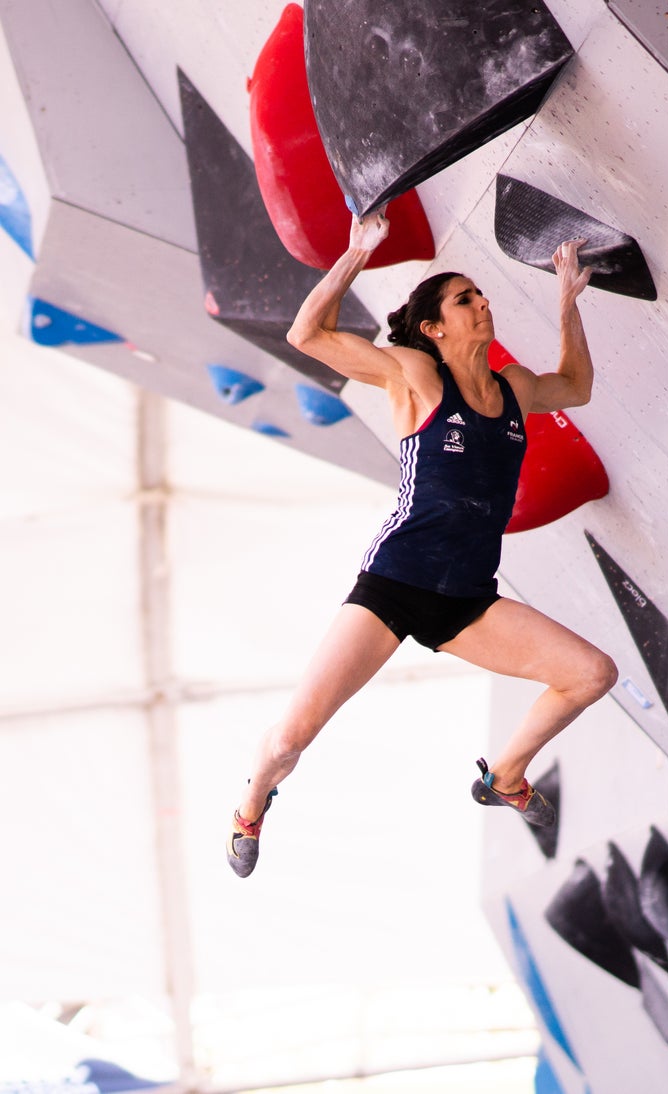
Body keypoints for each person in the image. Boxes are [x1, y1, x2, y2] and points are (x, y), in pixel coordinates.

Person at [227, 210, 618, 878]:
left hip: (467, 598)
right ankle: (251, 804)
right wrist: (354, 254)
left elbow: (576, 386)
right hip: (395, 586)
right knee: (292, 739)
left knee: (591, 675)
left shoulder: (514, 388)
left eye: (481, 294)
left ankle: (505, 776)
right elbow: (306, 333)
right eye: (466, 299)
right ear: (434, 326)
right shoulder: (415, 375)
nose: (483, 302)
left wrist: (566, 302)